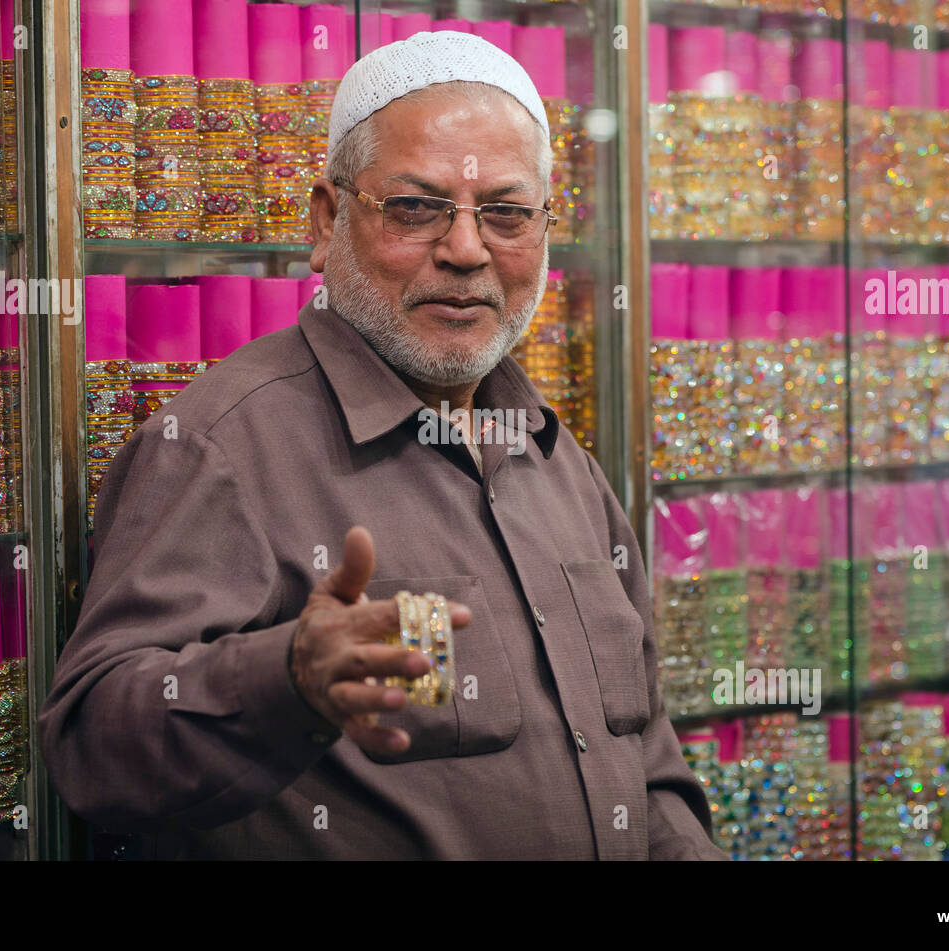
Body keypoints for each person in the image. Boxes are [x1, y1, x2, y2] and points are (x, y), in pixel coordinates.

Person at [40, 30, 725, 860]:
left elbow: (646, 760)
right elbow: (91, 748)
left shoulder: (557, 459)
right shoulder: (222, 446)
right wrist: (283, 678)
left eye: (505, 213)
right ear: (327, 221)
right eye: (416, 207)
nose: (466, 250)